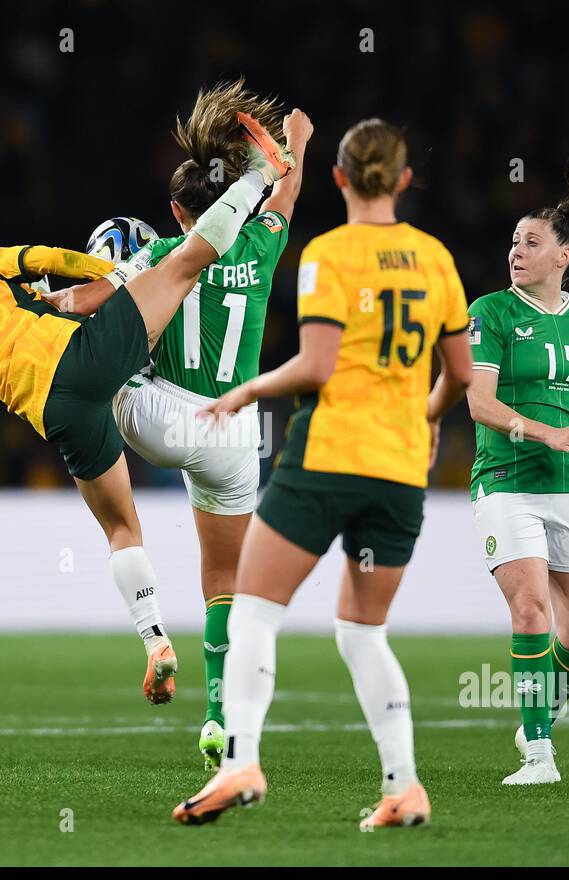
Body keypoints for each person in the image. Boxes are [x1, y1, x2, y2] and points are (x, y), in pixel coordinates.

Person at [0, 111, 296, 706]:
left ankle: (155, 639)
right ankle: (259, 175)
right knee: (184, 264)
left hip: (63, 416)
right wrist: (117, 273)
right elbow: (54, 257)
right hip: (107, 369)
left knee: (120, 528)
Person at [171, 119, 474, 827]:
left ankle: (241, 763)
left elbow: (317, 367)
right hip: (400, 473)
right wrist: (429, 416)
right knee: (363, 632)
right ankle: (403, 786)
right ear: (402, 181)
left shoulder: (328, 254)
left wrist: (246, 391)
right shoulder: (436, 259)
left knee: (253, 609)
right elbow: (460, 374)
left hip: (329, 456)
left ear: (340, 179)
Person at [79, 85, 312, 768]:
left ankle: (156, 638)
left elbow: (92, 296)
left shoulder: (161, 256)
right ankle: (216, 716)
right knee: (223, 580)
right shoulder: (266, 245)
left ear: (176, 212)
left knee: (102, 364)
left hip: (162, 416)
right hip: (237, 432)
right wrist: (294, 142)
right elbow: (284, 197)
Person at [464, 152, 569, 785]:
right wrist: (544, 432)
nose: (516, 251)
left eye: (531, 242)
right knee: (530, 611)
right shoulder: (493, 313)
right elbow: (479, 402)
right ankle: (538, 755)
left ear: (563, 257)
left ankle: (541, 710)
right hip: (507, 483)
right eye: (512, 242)